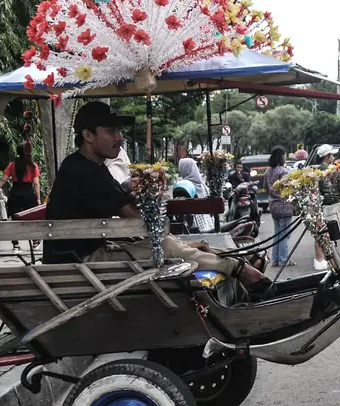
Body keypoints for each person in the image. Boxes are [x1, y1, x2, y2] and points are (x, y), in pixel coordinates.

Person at [42, 101, 275, 299]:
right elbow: (137, 220)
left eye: (119, 131)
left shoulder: (94, 167)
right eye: (111, 131)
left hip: (96, 249)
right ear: (88, 135)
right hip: (79, 262)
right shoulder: (82, 171)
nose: (120, 138)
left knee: (176, 243)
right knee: (165, 245)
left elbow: (132, 215)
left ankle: (236, 264)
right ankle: (237, 268)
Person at [0, 142, 42, 254]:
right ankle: (35, 242)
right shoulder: (33, 166)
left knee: (14, 219)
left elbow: (4, 179)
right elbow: (36, 183)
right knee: (32, 219)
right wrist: (38, 198)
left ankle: (16, 246)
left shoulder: (12, 165)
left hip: (15, 192)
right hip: (28, 193)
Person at [264, 146, 297, 269]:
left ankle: (275, 260)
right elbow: (291, 188)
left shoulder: (268, 172)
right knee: (284, 235)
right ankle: (283, 260)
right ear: (281, 156)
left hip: (273, 205)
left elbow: (266, 188)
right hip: (284, 205)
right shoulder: (284, 171)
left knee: (277, 234)